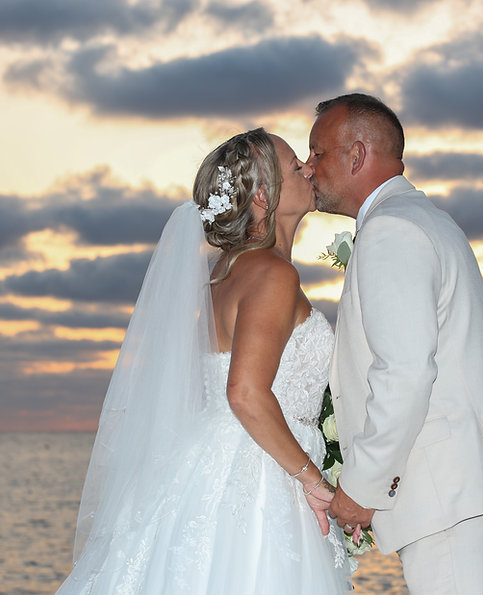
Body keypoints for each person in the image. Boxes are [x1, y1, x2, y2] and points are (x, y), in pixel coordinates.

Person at [57, 128, 352, 594]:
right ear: (262, 195)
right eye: (296, 166)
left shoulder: (227, 273)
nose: (309, 169)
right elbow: (246, 393)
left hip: (210, 466)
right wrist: (315, 484)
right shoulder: (273, 275)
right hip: (257, 478)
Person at [306, 94, 483, 594]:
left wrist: (361, 486)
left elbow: (407, 371)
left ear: (357, 155)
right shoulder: (424, 219)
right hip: (457, 491)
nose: (308, 169)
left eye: (317, 153)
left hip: (447, 494)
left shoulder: (392, 230)